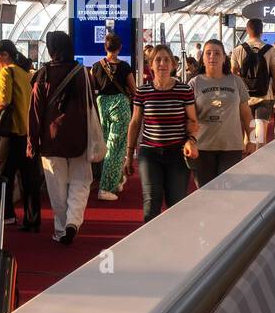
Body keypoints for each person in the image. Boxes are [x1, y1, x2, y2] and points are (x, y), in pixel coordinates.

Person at [28, 31, 91, 245]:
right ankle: (73, 222)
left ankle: (62, 228)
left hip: (51, 141)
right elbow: (89, 106)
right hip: (79, 138)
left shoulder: (42, 74)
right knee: (81, 181)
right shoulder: (81, 72)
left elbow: (35, 112)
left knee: (57, 187)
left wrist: (32, 142)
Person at [124, 45, 198, 223]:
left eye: (166, 60)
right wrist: (128, 155)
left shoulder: (184, 90)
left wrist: (191, 140)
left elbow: (193, 121)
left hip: (177, 154)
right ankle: (150, 246)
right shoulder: (143, 92)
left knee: (176, 203)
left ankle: (174, 244)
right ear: (151, 65)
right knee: (151, 203)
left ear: (173, 64)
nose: (162, 63)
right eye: (158, 60)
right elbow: (135, 123)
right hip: (149, 154)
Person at [0, 39, 41, 232]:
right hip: (27, 133)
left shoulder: (6, 72)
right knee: (29, 179)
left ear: (5, 55)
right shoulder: (25, 74)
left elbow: (3, 101)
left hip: (11, 133)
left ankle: (1, 214)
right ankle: (32, 220)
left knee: (1, 175)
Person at [188, 40, 253, 186]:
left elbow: (247, 114)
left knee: (228, 193)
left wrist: (253, 139)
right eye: (208, 53)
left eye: (217, 53)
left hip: (232, 147)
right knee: (206, 194)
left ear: (224, 58)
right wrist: (188, 141)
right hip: (202, 148)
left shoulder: (236, 82)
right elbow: (188, 118)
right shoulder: (194, 83)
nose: (212, 56)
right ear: (202, 58)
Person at [90, 31, 135, 201]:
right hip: (120, 107)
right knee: (116, 148)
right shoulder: (124, 67)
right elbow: (134, 89)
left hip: (102, 107)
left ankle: (115, 181)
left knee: (105, 144)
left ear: (105, 47)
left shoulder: (95, 66)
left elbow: (92, 90)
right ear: (120, 48)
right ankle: (106, 187)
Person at [230, 19, 275, 147]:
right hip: (265, 96)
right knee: (259, 135)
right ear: (262, 31)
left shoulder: (237, 50)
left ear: (247, 31)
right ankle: (258, 160)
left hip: (244, 99)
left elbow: (233, 77)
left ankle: (246, 160)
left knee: (248, 135)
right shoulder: (271, 50)